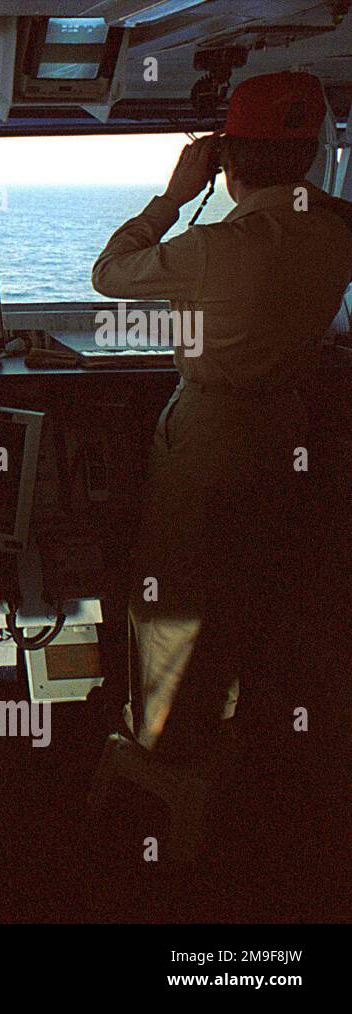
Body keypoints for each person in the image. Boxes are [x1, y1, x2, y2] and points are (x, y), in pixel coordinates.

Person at [91, 71, 352, 758]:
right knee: (253, 581)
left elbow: (110, 273)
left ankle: (161, 743)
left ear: (226, 160)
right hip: (284, 427)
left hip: (212, 431)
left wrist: (174, 196)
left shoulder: (217, 247)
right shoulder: (334, 231)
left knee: (173, 591)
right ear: (311, 152)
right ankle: (247, 736)